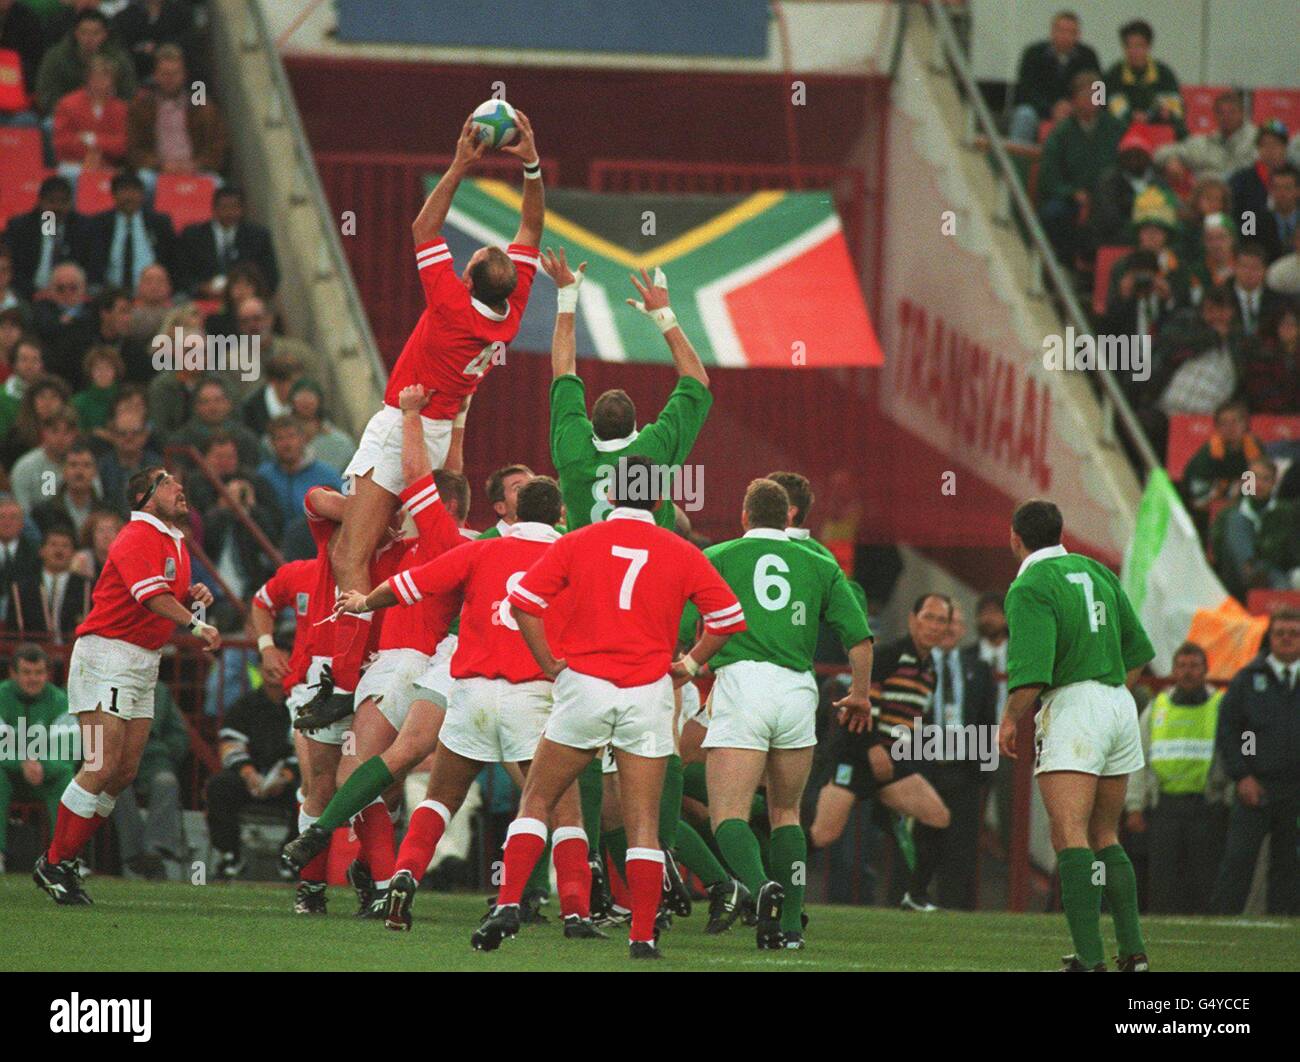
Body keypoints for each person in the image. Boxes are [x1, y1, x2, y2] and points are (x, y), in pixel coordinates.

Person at [323, 111, 543, 734]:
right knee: (418, 546)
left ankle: (344, 679)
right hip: (442, 427)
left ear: (469, 275)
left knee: (349, 554)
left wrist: (461, 164)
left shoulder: (449, 301)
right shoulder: (510, 309)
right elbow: (532, 223)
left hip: (405, 424)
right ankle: (399, 648)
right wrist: (529, 162)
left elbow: (423, 224)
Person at [474, 454, 745, 958]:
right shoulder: (680, 550)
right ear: (660, 500)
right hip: (647, 691)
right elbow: (729, 617)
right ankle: (642, 934)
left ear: (611, 495)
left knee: (537, 799)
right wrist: (688, 664)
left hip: (584, 686)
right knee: (642, 822)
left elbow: (523, 603)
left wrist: (550, 662)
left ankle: (509, 901)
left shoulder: (577, 540)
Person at [279, 384, 466, 916]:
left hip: (379, 668)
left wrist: (451, 421)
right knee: (321, 780)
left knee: (369, 781)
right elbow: (315, 498)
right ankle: (315, 887)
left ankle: (379, 880)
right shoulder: (345, 532)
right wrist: (365, 508)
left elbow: (446, 486)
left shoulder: (416, 545)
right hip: (327, 664)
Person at [684, 478, 873, 947]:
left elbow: (686, 623)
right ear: (788, 518)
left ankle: (758, 885)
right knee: (787, 811)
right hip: (797, 689)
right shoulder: (819, 561)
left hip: (743, 684)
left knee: (727, 811)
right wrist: (861, 694)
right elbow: (860, 637)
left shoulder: (719, 557)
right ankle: (790, 925)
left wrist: (687, 661)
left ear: (744, 517)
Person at [33, 466, 219, 905]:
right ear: (143, 497)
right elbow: (149, 596)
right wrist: (194, 623)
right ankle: (56, 862)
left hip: (142, 660)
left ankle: (62, 859)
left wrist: (192, 595)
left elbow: (163, 593)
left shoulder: (174, 540)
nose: (179, 485)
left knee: (123, 772)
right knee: (100, 763)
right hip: (107, 655)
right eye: (168, 480)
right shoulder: (135, 536)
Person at [998, 499, 1155, 971]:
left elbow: (1032, 673)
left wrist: (1008, 719)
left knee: (1069, 835)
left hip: (1075, 707)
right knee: (1106, 832)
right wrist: (1107, 691)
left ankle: (1089, 959)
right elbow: (1140, 651)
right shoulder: (1096, 570)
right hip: (1118, 703)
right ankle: (1133, 952)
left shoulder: (1029, 585)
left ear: (1015, 537)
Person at [808, 592, 953, 911]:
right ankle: (766, 879)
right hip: (856, 756)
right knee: (822, 834)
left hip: (888, 763)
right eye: (928, 617)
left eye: (941, 620)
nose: (934, 625)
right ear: (912, 620)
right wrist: (873, 748)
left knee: (937, 816)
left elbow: (911, 721)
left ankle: (915, 896)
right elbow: (859, 703)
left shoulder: (930, 671)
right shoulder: (889, 655)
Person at [1124, 642, 1228, 914]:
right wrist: (1135, 805)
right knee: (1162, 883)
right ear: (1173, 670)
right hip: (1164, 808)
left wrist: (1229, 796)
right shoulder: (1157, 707)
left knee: (1204, 882)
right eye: (1182, 666)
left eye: (1194, 666)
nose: (1187, 672)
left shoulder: (1221, 705)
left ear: (1206, 670)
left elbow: (1244, 747)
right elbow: (1138, 759)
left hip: (1207, 806)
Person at [1210, 608, 1300, 915]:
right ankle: (1222, 925)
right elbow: (1234, 731)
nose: (1287, 639)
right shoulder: (1248, 679)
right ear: (1269, 638)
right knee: (1239, 859)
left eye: (1294, 633)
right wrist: (1243, 775)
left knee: (1289, 862)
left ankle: (1282, 925)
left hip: (1296, 789)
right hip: (1256, 785)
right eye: (1280, 633)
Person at [919, 604, 997, 911]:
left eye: (957, 622)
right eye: (945, 621)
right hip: (923, 766)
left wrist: (985, 772)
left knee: (962, 846)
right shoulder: (916, 664)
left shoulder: (978, 668)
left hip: (964, 770)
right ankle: (913, 901)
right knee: (921, 842)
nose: (951, 628)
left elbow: (987, 721)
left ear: (964, 629)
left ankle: (956, 909)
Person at [207, 674, 297, 881]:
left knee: (309, 791)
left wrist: (286, 775)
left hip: (288, 778)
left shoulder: (300, 704)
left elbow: (309, 749)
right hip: (248, 776)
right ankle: (230, 855)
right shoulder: (245, 705)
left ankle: (292, 857)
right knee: (219, 786)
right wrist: (248, 773)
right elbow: (229, 744)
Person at [0, 644, 75, 875]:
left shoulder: (60, 700)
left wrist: (41, 765)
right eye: (27, 673)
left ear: (47, 674)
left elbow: (68, 749)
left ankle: (62, 858)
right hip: (9, 774)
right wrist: (21, 763)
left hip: (45, 776)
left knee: (67, 778)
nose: (33, 679)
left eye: (39, 673)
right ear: (13, 674)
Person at [1037, 70, 1126, 263]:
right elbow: (1049, 177)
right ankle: (1064, 263)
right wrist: (1072, 192)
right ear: (1074, 100)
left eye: (1096, 94)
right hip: (1073, 197)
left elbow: (1125, 166)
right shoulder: (1061, 133)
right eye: (1086, 95)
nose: (1092, 100)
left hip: (1109, 196)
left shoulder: (1116, 128)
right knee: (1052, 213)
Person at [110, 679, 189, 879]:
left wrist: (168, 753)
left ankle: (153, 850)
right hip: (115, 757)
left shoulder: (160, 690)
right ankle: (136, 854)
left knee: (167, 781)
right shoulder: (107, 684)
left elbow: (178, 731)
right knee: (115, 789)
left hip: (154, 757)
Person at [124, 43, 226, 192]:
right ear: (156, 75)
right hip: (157, 170)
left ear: (184, 75)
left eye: (175, 73)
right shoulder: (141, 106)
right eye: (165, 73)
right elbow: (134, 148)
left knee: (217, 184)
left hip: (195, 169)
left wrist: (196, 165)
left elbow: (218, 146)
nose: (169, 79)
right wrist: (160, 165)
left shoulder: (202, 106)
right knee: (142, 180)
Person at [1210, 457, 1300, 602]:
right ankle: (1250, 571)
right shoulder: (1228, 513)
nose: (1258, 484)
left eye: (1266, 479)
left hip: (1273, 573)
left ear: (1274, 483)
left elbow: (1290, 554)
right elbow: (1218, 550)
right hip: (1235, 577)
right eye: (1254, 478)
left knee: (1280, 585)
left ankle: (1255, 575)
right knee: (1236, 519)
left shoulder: (1286, 512)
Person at [1007, 10, 1101, 145]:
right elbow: (1024, 90)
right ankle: (1015, 162)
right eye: (1061, 31)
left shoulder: (1089, 56)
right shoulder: (1033, 53)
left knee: (1100, 120)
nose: (1065, 36)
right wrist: (1051, 108)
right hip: (1040, 111)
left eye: (1071, 32)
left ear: (1078, 35)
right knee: (1024, 114)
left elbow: (1099, 90)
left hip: (1077, 112)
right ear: (1052, 32)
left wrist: (1076, 107)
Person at [83, 170, 175, 292]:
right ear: (113, 194)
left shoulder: (159, 222)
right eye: (123, 190)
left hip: (151, 293)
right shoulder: (99, 223)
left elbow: (172, 260)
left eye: (134, 191)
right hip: (108, 294)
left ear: (142, 194)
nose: (129, 196)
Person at [177, 186, 278, 297]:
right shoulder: (193, 235)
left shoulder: (258, 236)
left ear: (243, 209)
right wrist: (201, 288)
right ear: (214, 208)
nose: (229, 213)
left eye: (235, 207)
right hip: (201, 299)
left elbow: (271, 277)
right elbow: (181, 273)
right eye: (224, 207)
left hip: (245, 301)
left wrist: (247, 290)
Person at [1, 176, 89, 300]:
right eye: (52, 201)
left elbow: (90, 267)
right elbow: (13, 269)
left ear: (70, 203)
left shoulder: (82, 227)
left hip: (70, 296)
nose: (57, 208)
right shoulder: (20, 227)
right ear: (41, 202)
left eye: (63, 202)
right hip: (27, 295)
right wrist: (35, 292)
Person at [34, 9, 136, 116]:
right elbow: (46, 93)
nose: (89, 38)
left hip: (109, 115)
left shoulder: (118, 58)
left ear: (105, 34)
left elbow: (128, 92)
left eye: (96, 33)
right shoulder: (56, 56)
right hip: (66, 114)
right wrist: (70, 111)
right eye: (84, 32)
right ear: (76, 33)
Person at [6, 521, 91, 642]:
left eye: (65, 545)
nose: (59, 550)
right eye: (53, 544)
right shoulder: (21, 589)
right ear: (41, 551)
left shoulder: (87, 587)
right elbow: (12, 632)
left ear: (74, 553)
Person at [1155, 90, 1257, 186]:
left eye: (1232, 112)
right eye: (1221, 112)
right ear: (1215, 116)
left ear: (1242, 114)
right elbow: (1161, 152)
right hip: (1207, 196)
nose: (1226, 117)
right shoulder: (1203, 143)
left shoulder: (1257, 140)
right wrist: (1171, 159)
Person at [256, 413, 341, 527]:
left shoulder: (327, 476)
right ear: (272, 443)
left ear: (303, 439)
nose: (287, 444)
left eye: (291, 436)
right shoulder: (263, 477)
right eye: (280, 438)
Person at [1102, 19, 1182, 129]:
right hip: (1122, 131)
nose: (1133, 51)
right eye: (1128, 46)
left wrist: (1155, 115)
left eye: (1139, 46)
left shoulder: (1164, 73)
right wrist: (1131, 116)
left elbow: (1175, 109)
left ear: (1148, 46)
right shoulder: (1113, 74)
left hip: (1157, 129)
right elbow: (1106, 107)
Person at [31, 436, 103, 536]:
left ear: (95, 472)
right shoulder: (44, 513)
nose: (79, 471)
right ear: (63, 471)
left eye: (86, 465)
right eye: (73, 465)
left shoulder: (106, 511)